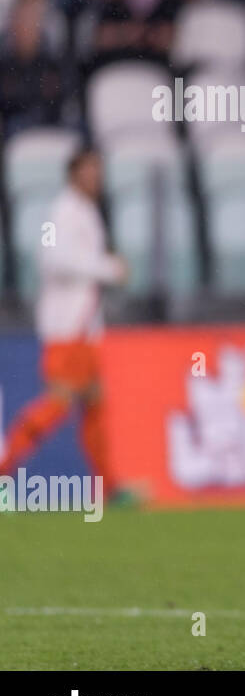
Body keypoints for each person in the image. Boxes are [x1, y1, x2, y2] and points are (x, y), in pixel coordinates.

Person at [0, 149, 127, 497]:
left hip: (84, 327)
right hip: (66, 327)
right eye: (89, 170)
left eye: (98, 170)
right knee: (59, 402)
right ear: (73, 174)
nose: (96, 177)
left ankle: (108, 487)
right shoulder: (60, 213)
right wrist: (107, 267)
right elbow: (52, 258)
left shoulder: (87, 211)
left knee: (95, 402)